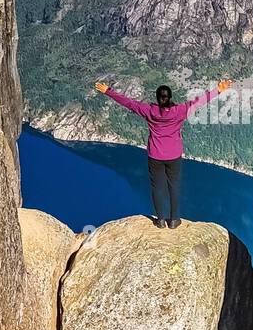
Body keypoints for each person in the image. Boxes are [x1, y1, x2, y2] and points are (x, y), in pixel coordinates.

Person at [94, 78, 232, 228]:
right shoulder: (180, 110)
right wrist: (218, 90)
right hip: (174, 155)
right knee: (174, 186)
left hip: (155, 156)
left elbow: (128, 102)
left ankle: (160, 220)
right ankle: (174, 220)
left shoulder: (148, 110)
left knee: (157, 188)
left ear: (158, 99)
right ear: (170, 97)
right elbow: (200, 102)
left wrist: (108, 91)